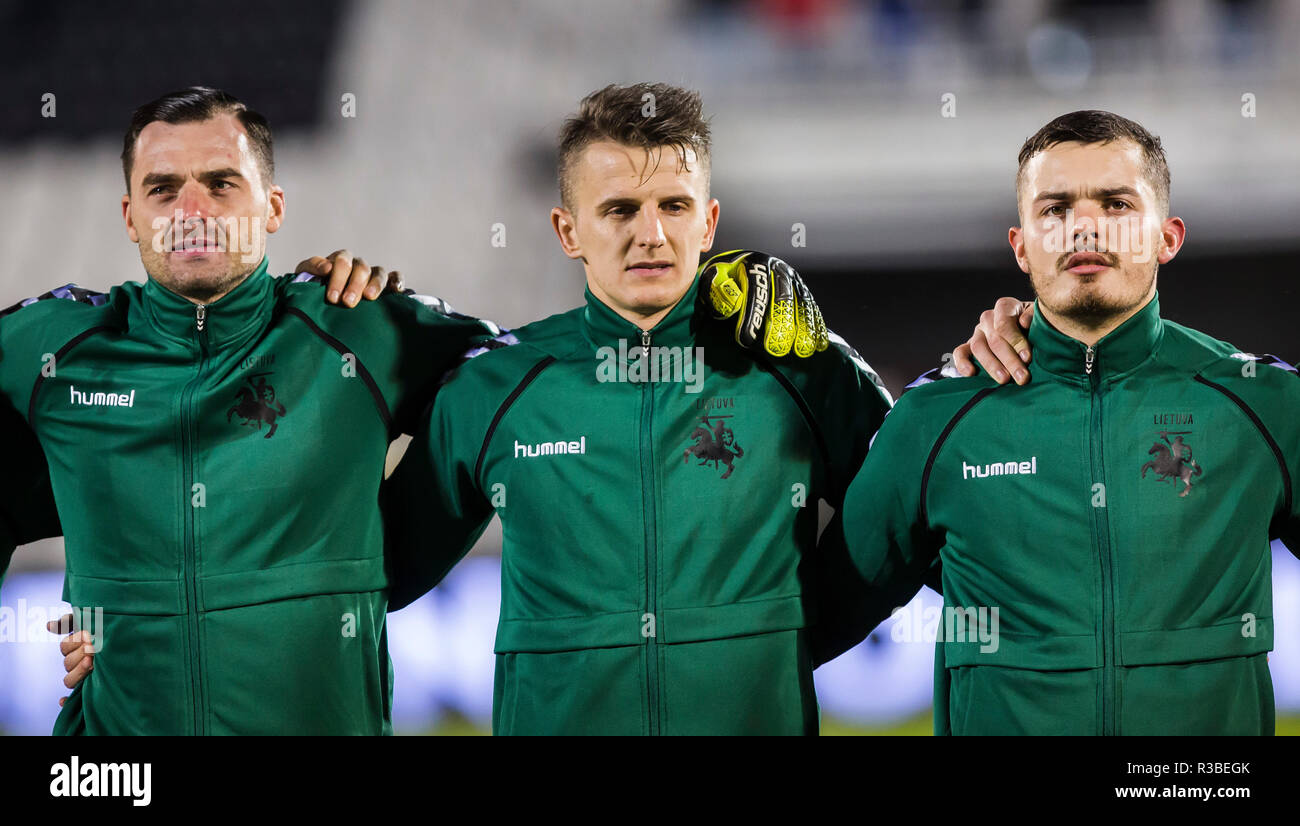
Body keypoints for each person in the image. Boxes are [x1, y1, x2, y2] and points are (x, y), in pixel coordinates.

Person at [379, 83, 1030, 734]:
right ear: (567, 230)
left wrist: (801, 630)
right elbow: (369, 574)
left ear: (709, 222)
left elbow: (923, 526)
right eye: (619, 210)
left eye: (674, 205)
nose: (651, 234)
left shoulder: (800, 367)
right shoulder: (494, 388)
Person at [0, 87, 497, 734]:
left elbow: (513, 394)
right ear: (130, 215)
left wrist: (395, 554)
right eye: (163, 189)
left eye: (221, 183)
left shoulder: (357, 328)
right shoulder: (53, 349)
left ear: (273, 206)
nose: (191, 210)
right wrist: (107, 597)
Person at [838, 110, 1300, 735]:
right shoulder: (935, 419)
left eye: (1116, 203)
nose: (1084, 226)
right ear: (1021, 245)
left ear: (1168, 235)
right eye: (1055, 209)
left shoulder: (1264, 404)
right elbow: (803, 619)